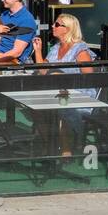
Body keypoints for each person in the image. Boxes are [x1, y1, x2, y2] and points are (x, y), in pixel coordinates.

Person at [32, 13, 97, 156]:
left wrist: (66, 82)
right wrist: (38, 50)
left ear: (67, 29)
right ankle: (49, 144)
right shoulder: (56, 47)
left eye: (57, 24)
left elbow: (90, 78)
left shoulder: (80, 50)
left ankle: (65, 148)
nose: (52, 26)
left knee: (59, 109)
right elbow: (43, 72)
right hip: (58, 92)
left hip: (79, 93)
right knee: (35, 109)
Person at [0, 0, 38, 65]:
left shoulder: (27, 20)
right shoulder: (5, 14)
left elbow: (16, 52)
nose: (2, 0)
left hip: (12, 61)